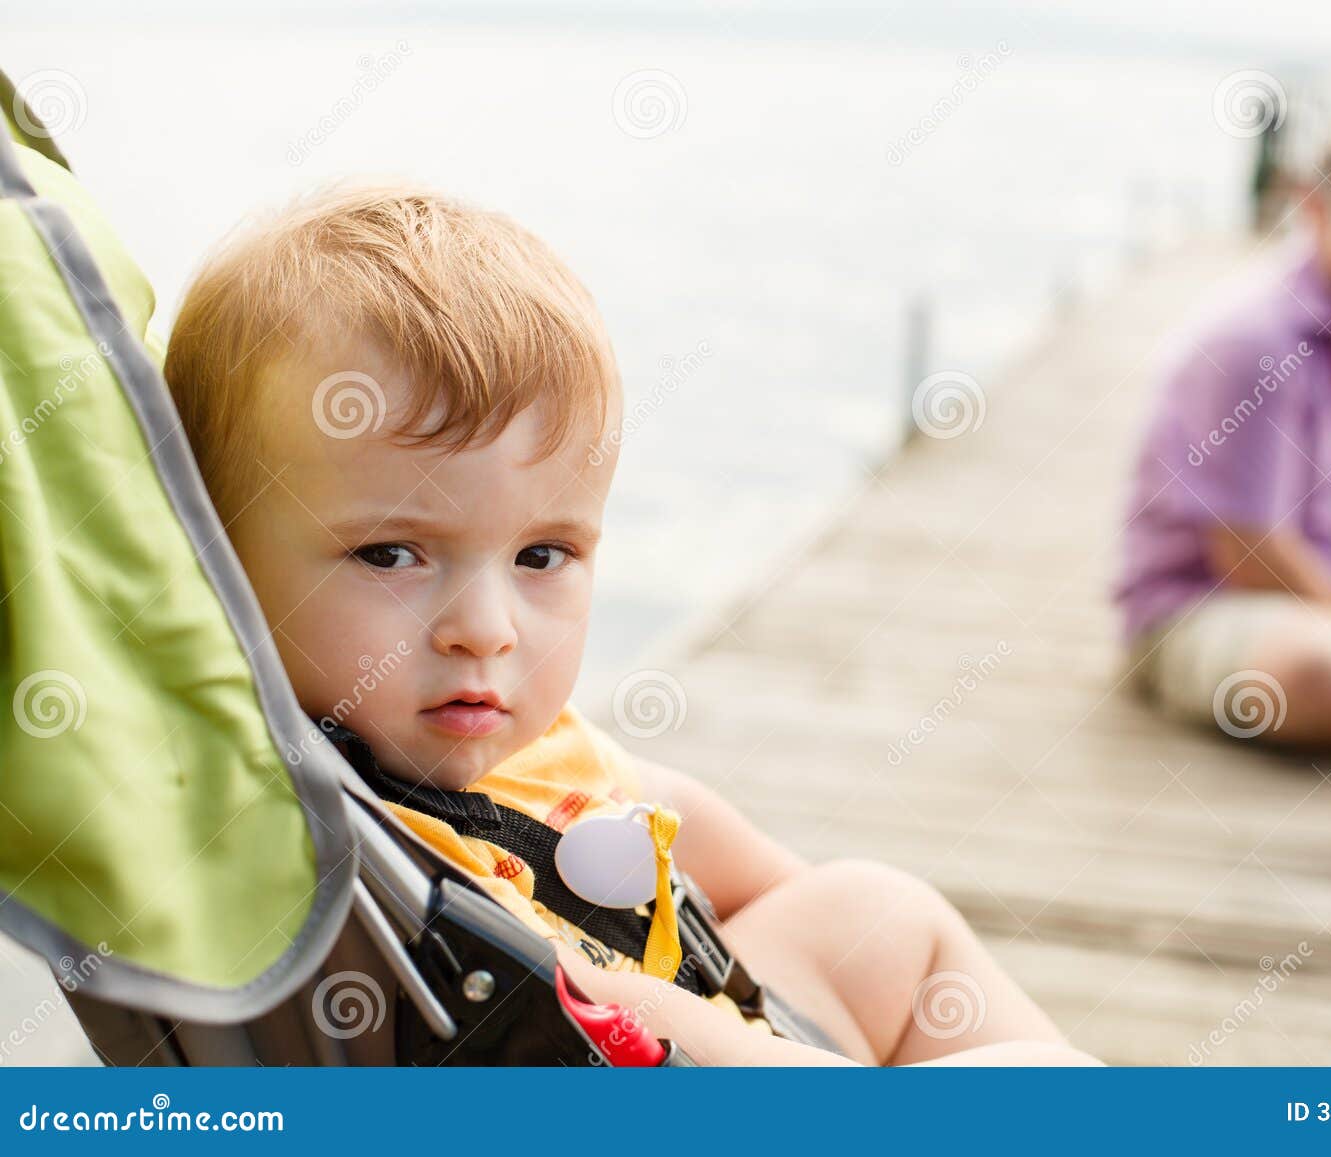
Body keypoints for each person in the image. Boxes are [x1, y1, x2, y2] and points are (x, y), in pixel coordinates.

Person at [161, 184, 1094, 1067]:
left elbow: (754, 871)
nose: (484, 629)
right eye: (391, 554)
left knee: (880, 915)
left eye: (542, 554)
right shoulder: (353, 849)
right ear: (217, 563)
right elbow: (627, 1025)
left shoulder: (532, 751)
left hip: (736, 1027)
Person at [1115, 122, 1331, 747]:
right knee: (1316, 672)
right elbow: (1246, 553)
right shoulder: (1251, 342)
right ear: (1314, 209)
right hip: (1209, 604)